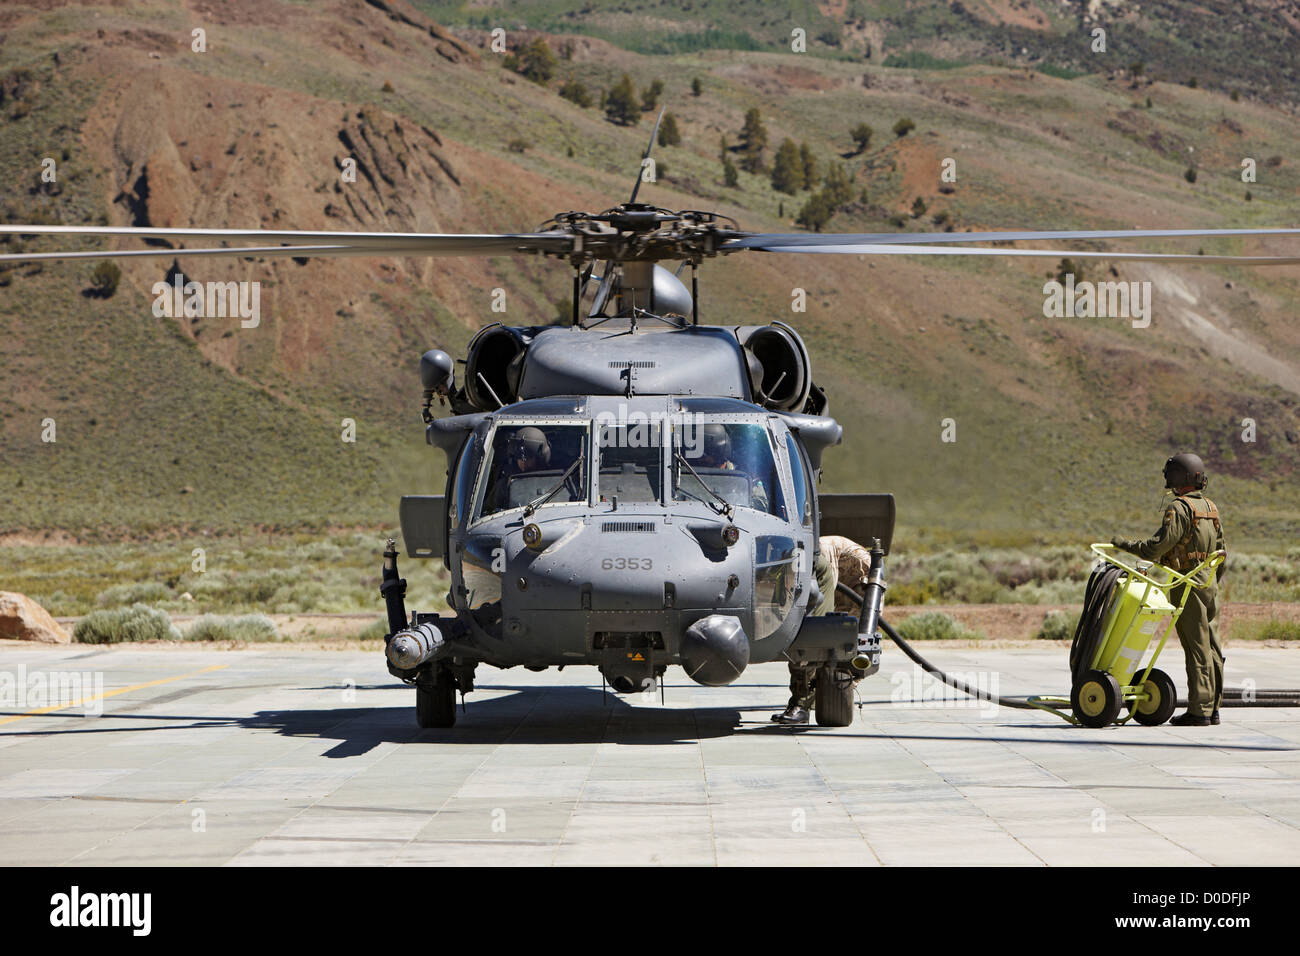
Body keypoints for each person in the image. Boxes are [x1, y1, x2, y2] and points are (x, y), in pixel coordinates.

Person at [1111, 453, 1227, 726]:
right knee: (1212, 645)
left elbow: (1158, 545)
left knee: (1195, 645)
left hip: (1186, 582)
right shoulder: (1210, 508)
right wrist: (1212, 579)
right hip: (1208, 583)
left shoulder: (1179, 507)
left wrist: (1124, 544)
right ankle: (1213, 708)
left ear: (1178, 477)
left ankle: (1200, 710)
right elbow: (1223, 551)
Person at [772, 535, 872, 724]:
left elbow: (824, 589)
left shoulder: (818, 558)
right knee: (823, 634)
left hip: (860, 576)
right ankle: (811, 699)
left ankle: (809, 702)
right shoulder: (798, 554)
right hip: (845, 570)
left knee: (823, 636)